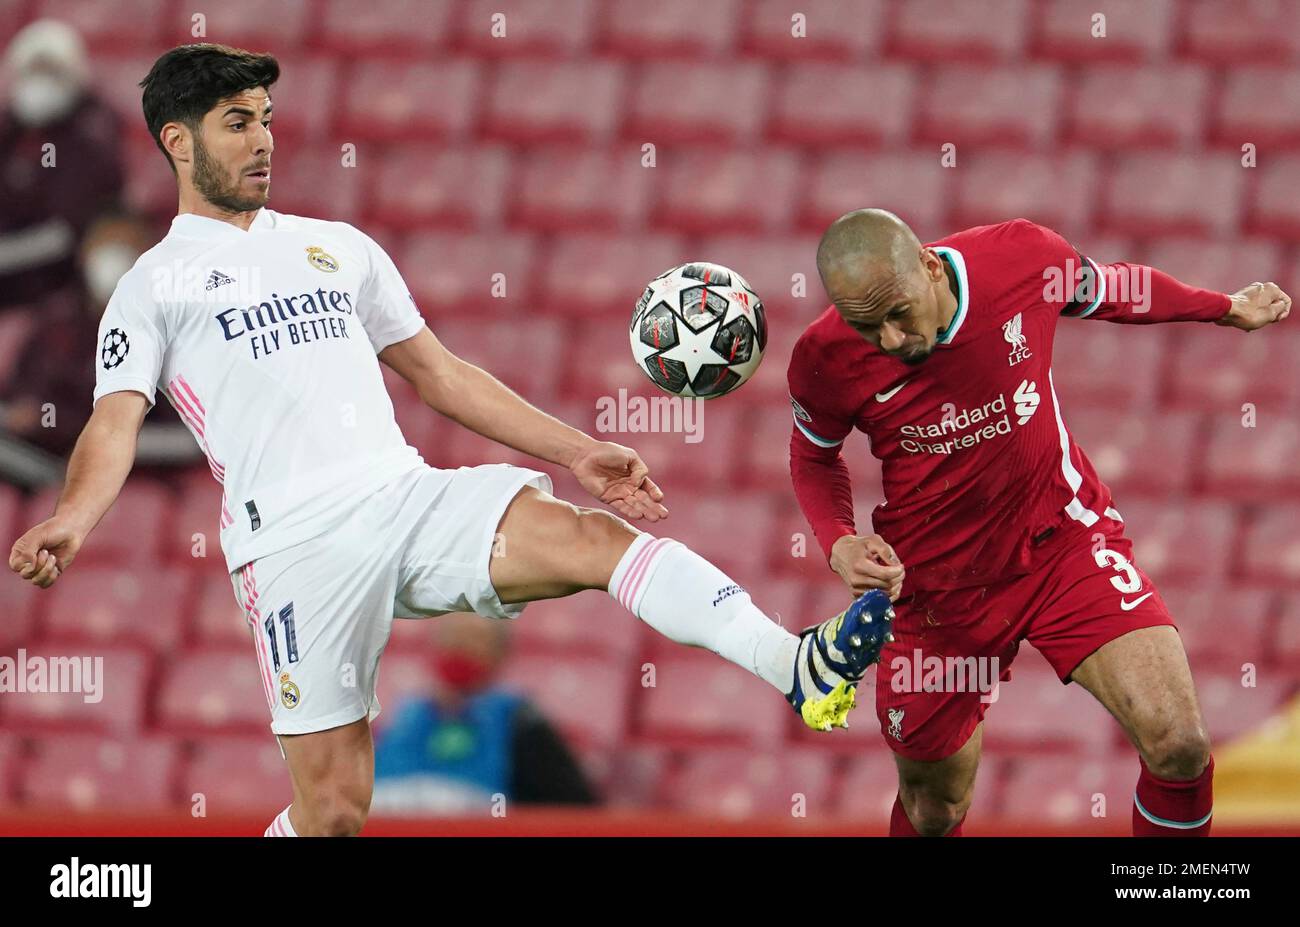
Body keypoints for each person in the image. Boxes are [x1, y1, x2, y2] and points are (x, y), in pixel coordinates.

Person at [7, 44, 893, 837]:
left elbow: (440, 373)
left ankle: (798, 666)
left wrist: (573, 449)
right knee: (336, 811)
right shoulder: (152, 285)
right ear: (177, 142)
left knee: (592, 536)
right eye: (237, 123)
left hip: (404, 494)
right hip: (292, 548)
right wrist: (74, 521)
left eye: (268, 120)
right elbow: (113, 422)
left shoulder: (337, 249)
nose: (264, 140)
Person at [788, 208, 1292, 837]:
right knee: (934, 810)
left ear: (926, 264)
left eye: (898, 313)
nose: (891, 339)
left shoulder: (1020, 260)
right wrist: (838, 541)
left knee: (1180, 745)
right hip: (937, 592)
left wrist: (1222, 307)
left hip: (1062, 544)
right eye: (869, 326)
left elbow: (1117, 290)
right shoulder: (824, 357)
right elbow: (814, 456)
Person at [371, 613, 598, 814]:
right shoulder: (399, 719)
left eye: (474, 639)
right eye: (453, 637)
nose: (460, 647)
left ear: (500, 654)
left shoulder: (522, 723)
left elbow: (572, 812)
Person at [0, 20, 125, 311]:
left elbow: (68, 229)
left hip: (66, 270)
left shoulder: (92, 134)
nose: (39, 85)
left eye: (50, 74)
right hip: (13, 264)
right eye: (33, 73)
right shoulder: (10, 131)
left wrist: (7, 253)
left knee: (109, 269)